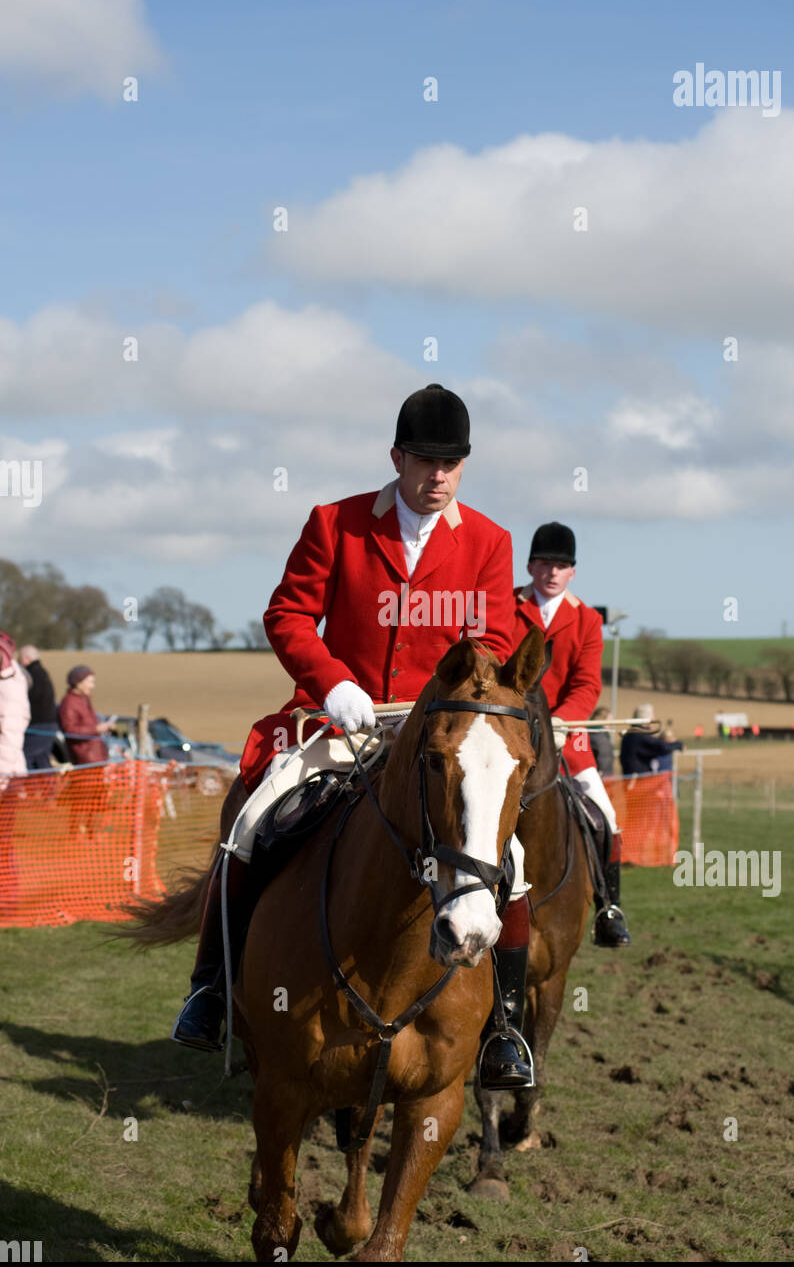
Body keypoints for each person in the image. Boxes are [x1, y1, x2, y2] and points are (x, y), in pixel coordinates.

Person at [173, 384, 537, 1088]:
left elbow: (494, 637)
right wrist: (335, 684)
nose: (438, 475)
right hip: (343, 722)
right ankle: (210, 989)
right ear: (397, 457)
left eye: (452, 463)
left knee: (510, 861)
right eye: (426, 460)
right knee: (249, 822)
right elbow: (287, 614)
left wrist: (446, 703)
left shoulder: (489, 542)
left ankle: (505, 1031)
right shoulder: (334, 523)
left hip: (438, 734)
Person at [512, 523, 630, 947]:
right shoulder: (506, 607)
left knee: (605, 817)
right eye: (545, 563)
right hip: (512, 733)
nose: (552, 572)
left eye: (561, 565)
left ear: (572, 573)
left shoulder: (587, 621)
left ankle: (608, 908)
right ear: (530, 565)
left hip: (568, 738)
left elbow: (588, 685)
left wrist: (562, 721)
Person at [57, 667, 117, 765]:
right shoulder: (69, 703)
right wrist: (96, 729)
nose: (92, 686)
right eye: (89, 682)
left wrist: (104, 726)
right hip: (84, 757)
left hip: (96, 753)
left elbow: (88, 724)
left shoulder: (84, 699)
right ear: (78, 682)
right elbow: (70, 731)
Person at [19, 646, 58, 770]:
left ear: (26, 659)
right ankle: (47, 788)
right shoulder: (43, 673)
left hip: (38, 725)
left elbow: (27, 699)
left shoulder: (30, 675)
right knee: (42, 759)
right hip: (48, 724)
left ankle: (31, 788)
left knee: (28, 758)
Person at [620, 704, 683, 775]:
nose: (654, 719)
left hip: (633, 779)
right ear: (646, 719)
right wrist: (678, 745)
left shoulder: (631, 733)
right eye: (652, 716)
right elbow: (662, 747)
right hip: (638, 781)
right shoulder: (639, 735)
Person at [0, 633, 29, 779]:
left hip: (6, 766)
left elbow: (9, 731)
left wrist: (3, 774)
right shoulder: (14, 679)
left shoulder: (8, 686)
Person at [588, 704, 614, 776]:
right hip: (603, 778)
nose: (611, 724)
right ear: (602, 719)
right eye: (610, 720)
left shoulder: (588, 733)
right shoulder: (600, 737)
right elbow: (604, 761)